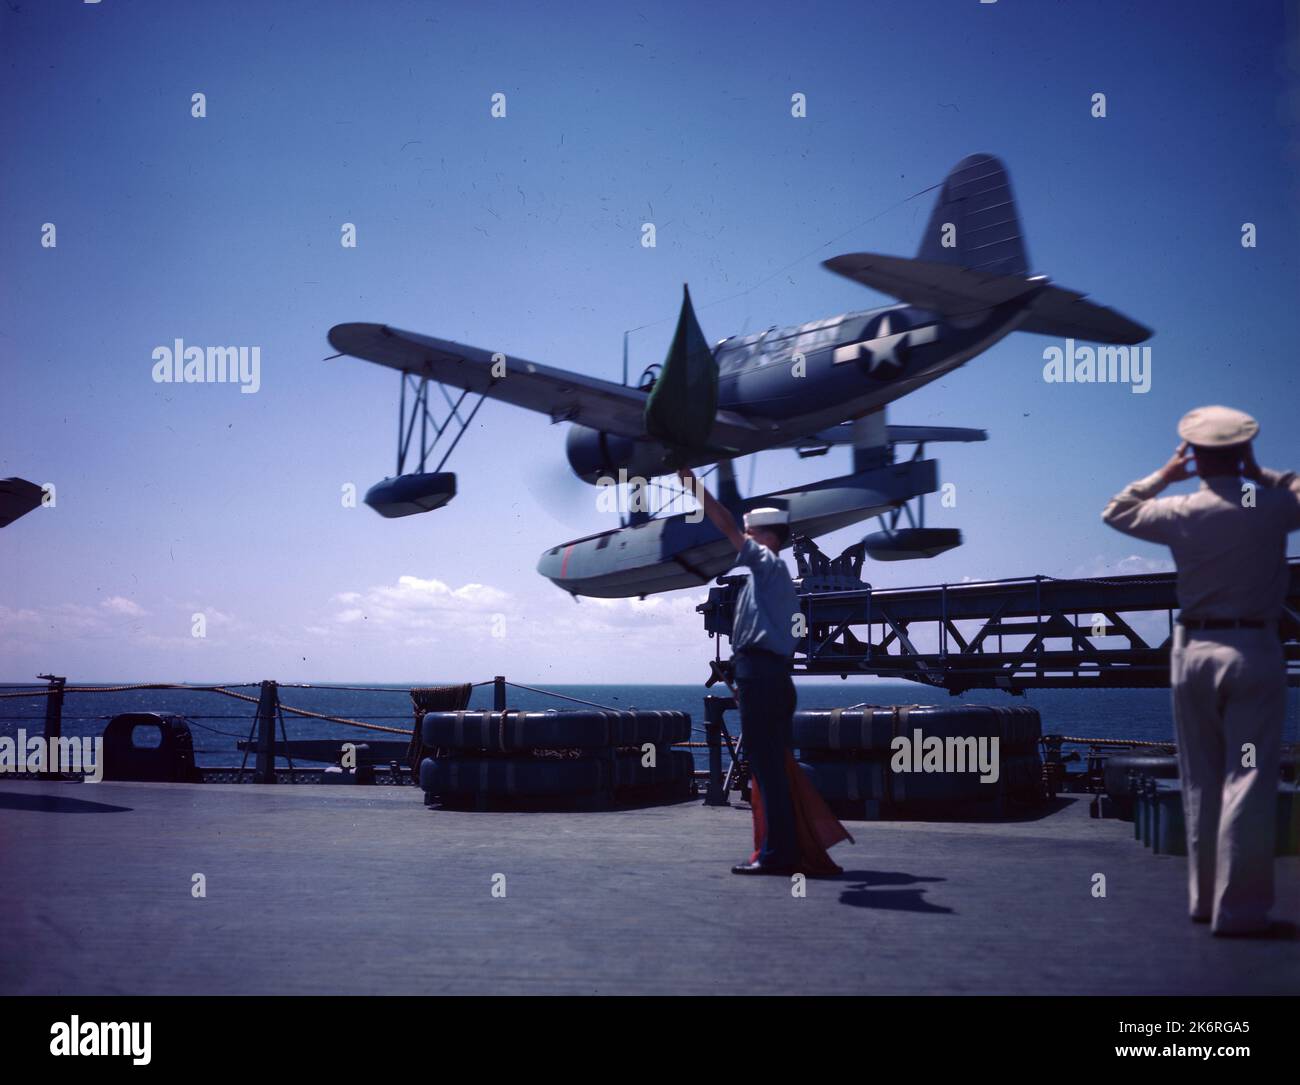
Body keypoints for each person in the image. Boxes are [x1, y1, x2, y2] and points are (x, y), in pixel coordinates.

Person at [1101, 406, 1300, 936]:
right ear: (1243, 452)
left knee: (1200, 780)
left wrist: (1164, 476)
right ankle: (1240, 910)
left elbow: (1117, 512)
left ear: (1194, 456)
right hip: (1254, 648)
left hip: (1193, 651)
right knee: (1249, 779)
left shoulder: (1182, 509)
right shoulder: (1271, 505)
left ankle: (1203, 901)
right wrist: (1261, 474)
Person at [678, 466, 853, 876]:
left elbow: (724, 523)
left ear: (767, 537)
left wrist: (692, 485)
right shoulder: (774, 581)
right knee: (775, 765)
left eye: (751, 533)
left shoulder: (767, 564)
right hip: (770, 676)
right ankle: (790, 849)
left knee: (766, 766)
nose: (745, 540)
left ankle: (779, 855)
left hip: (761, 675)